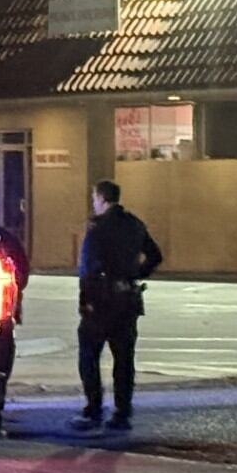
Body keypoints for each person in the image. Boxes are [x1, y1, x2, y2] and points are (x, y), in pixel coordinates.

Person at [72, 180, 162, 433]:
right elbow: (155, 255)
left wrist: (85, 302)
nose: (94, 203)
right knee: (124, 359)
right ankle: (122, 412)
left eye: (94, 198)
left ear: (101, 199)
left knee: (89, 355)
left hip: (101, 301)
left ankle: (94, 409)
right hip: (128, 300)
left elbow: (88, 270)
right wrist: (136, 274)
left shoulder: (98, 228)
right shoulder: (134, 224)